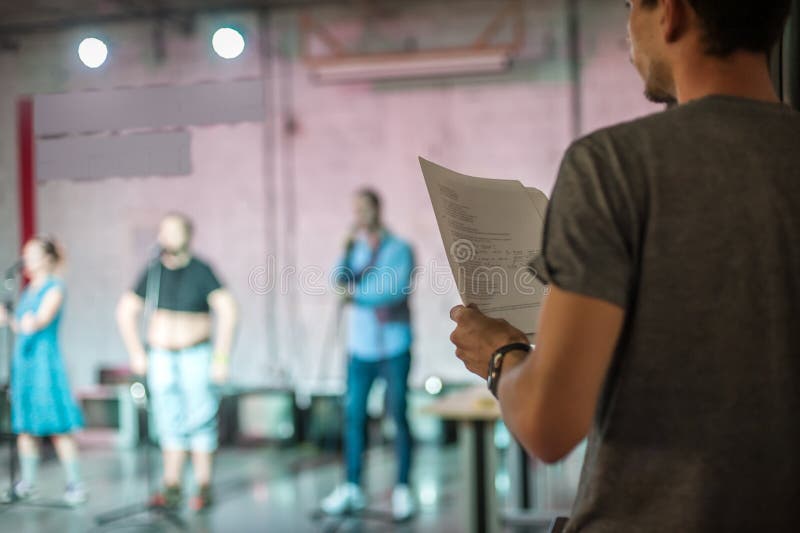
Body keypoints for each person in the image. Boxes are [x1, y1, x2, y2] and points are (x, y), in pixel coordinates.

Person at [449, 1, 799, 531]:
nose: (627, 29)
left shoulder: (613, 165)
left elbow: (549, 425)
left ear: (672, 13)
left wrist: (501, 355)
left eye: (633, 5)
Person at [116, 213, 237, 512]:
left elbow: (229, 310)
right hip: (161, 356)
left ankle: (203, 484)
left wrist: (221, 357)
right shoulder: (154, 272)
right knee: (168, 420)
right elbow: (125, 310)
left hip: (195, 355)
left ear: (187, 234)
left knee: (200, 419)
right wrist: (136, 352)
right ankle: (172, 484)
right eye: (163, 231)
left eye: (173, 230)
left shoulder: (201, 270)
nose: (166, 236)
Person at [321, 189, 416, 521]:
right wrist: (345, 252)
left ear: (377, 209)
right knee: (354, 417)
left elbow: (394, 290)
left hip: (393, 347)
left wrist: (356, 296)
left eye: (365, 208)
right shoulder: (355, 250)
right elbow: (337, 282)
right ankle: (351, 486)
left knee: (398, 416)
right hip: (360, 349)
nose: (359, 214)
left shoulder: (400, 249)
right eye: (355, 208)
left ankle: (403, 488)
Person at [0, 237, 87, 506]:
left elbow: (40, 320)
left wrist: (26, 322)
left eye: (32, 255)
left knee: (59, 426)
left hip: (44, 364)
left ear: (47, 258)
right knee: (26, 426)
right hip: (24, 363)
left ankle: (75, 483)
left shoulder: (54, 287)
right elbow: (21, 326)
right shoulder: (27, 289)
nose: (26, 260)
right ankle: (28, 481)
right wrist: (10, 320)